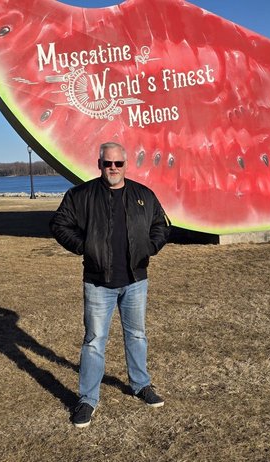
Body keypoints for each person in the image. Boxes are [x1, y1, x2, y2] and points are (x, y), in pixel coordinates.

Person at [49, 141, 171, 428]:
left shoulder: (143, 194)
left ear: (126, 165)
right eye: (108, 163)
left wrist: (149, 248)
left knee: (137, 335)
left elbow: (162, 225)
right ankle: (87, 399)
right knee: (94, 342)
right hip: (98, 283)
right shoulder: (81, 195)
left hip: (135, 281)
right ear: (99, 164)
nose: (113, 168)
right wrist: (84, 247)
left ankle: (141, 385)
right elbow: (59, 224)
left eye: (118, 163)